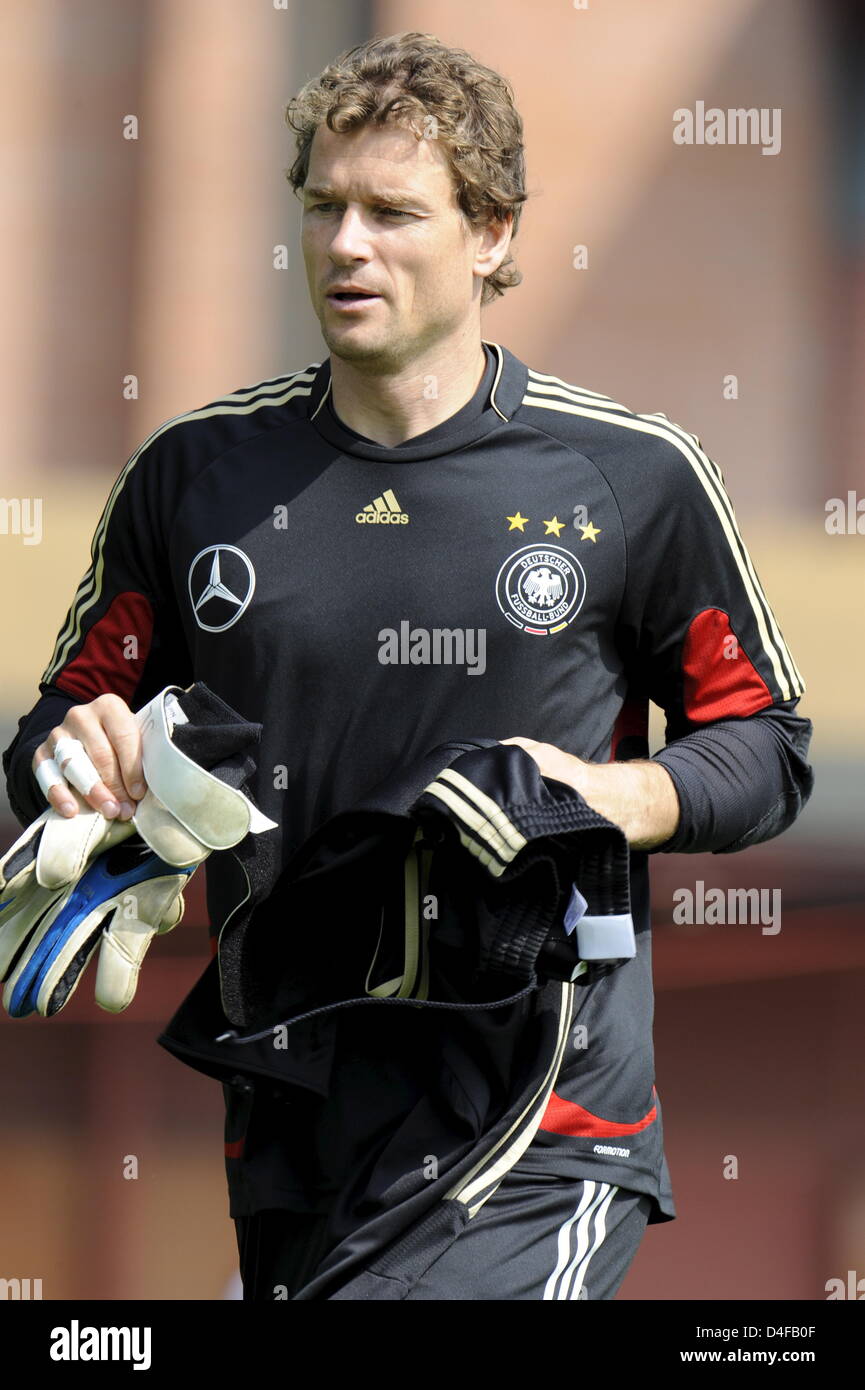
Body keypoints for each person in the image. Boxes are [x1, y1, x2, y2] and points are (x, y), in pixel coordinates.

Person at [1, 31, 813, 1300]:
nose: (343, 245)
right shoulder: (193, 475)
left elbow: (765, 745)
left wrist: (603, 794)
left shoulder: (630, 477)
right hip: (290, 1106)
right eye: (323, 206)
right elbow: (62, 717)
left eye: (391, 211)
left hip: (539, 1122)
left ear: (490, 233)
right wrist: (81, 761)